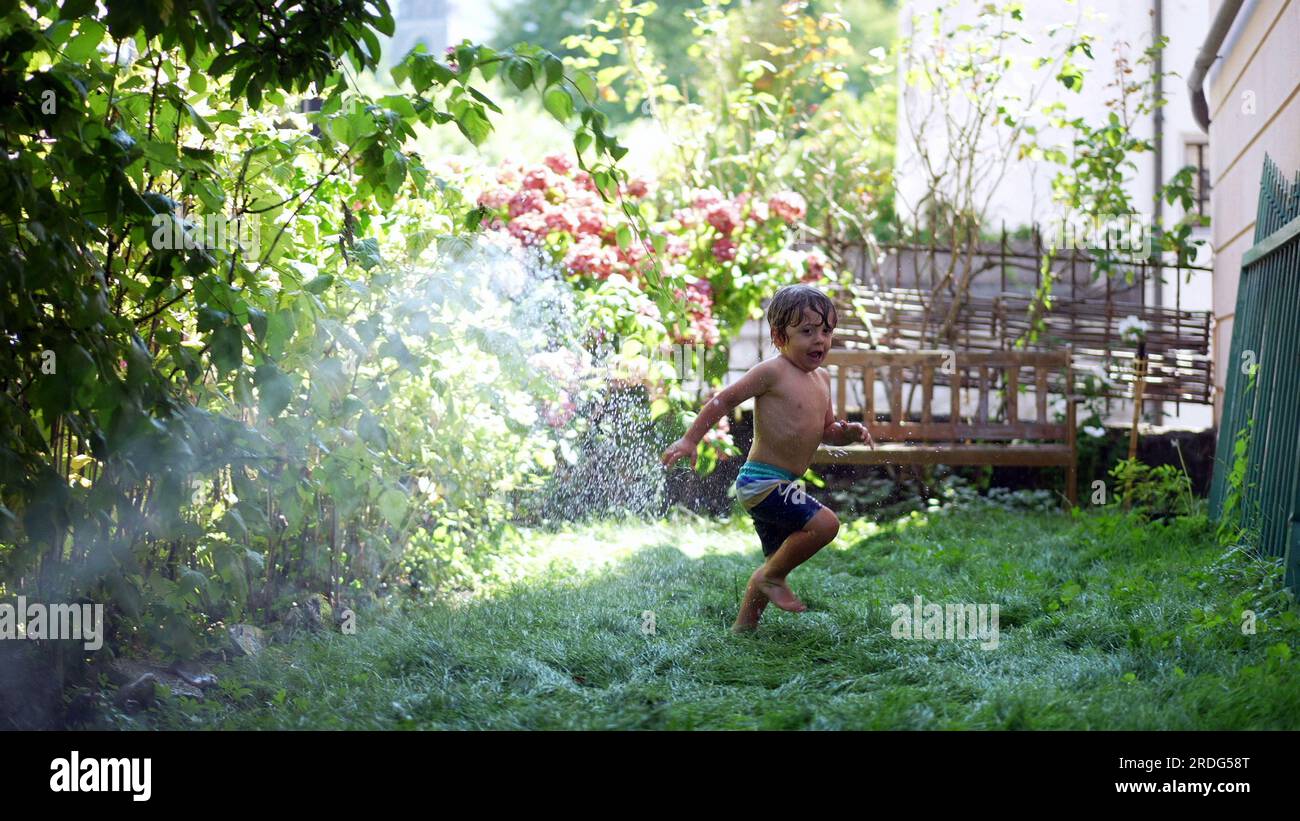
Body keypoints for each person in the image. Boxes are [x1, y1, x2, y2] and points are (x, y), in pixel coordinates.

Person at [661, 284, 874, 632]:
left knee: (776, 562)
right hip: (761, 481)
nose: (819, 340)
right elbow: (722, 401)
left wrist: (846, 433)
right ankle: (771, 578)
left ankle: (743, 629)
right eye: (807, 332)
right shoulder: (772, 372)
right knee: (826, 525)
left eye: (825, 331)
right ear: (779, 336)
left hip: (781, 484)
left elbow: (826, 429)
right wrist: (689, 439)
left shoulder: (821, 378)